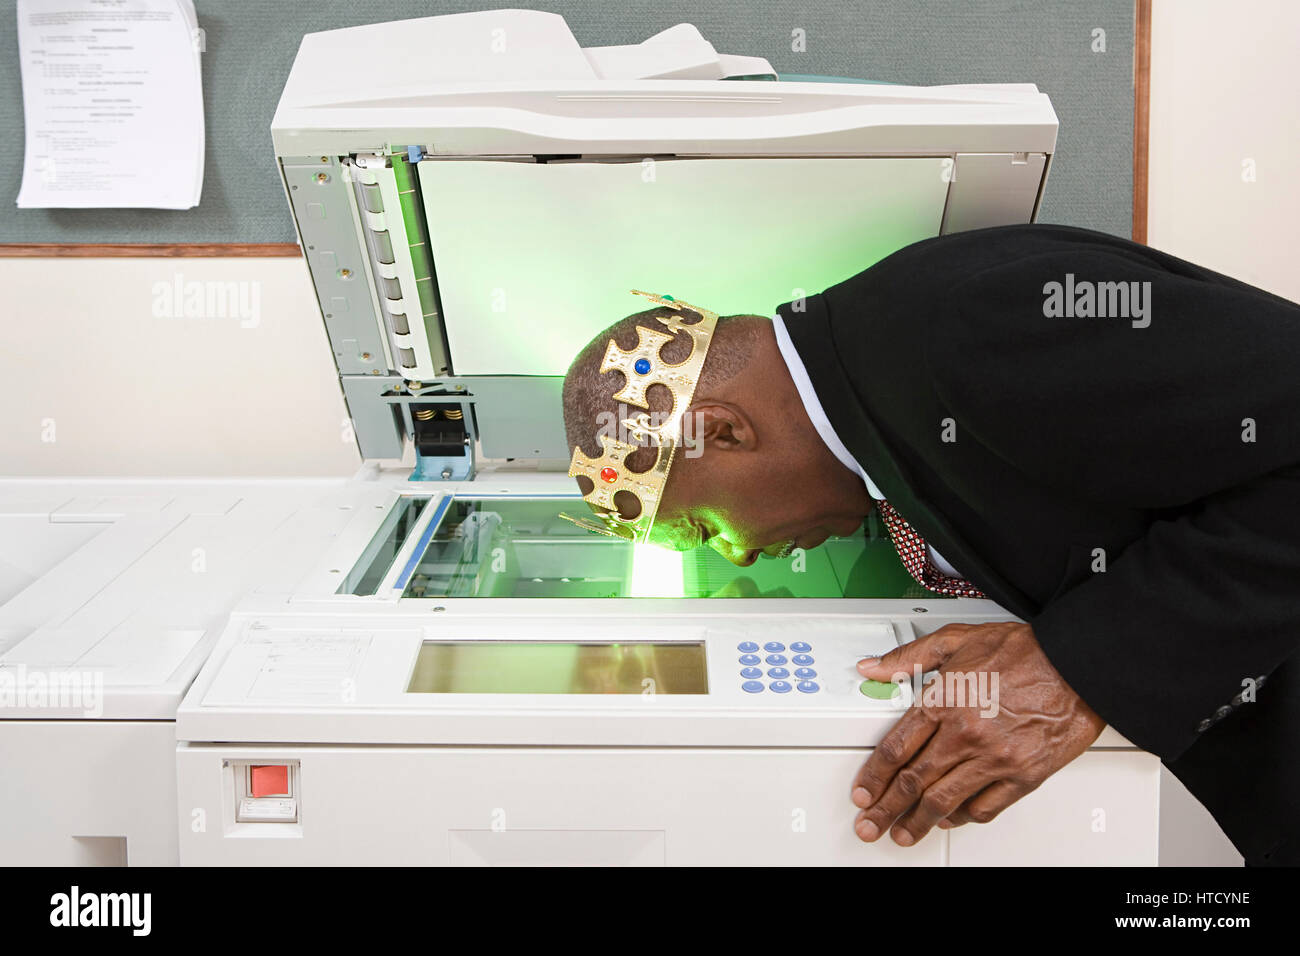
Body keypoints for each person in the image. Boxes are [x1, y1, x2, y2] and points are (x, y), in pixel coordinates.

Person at [560, 224, 1300, 866]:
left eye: (702, 529)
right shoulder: (881, 371)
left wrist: (1077, 667)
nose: (739, 555)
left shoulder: (976, 328)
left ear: (723, 430)